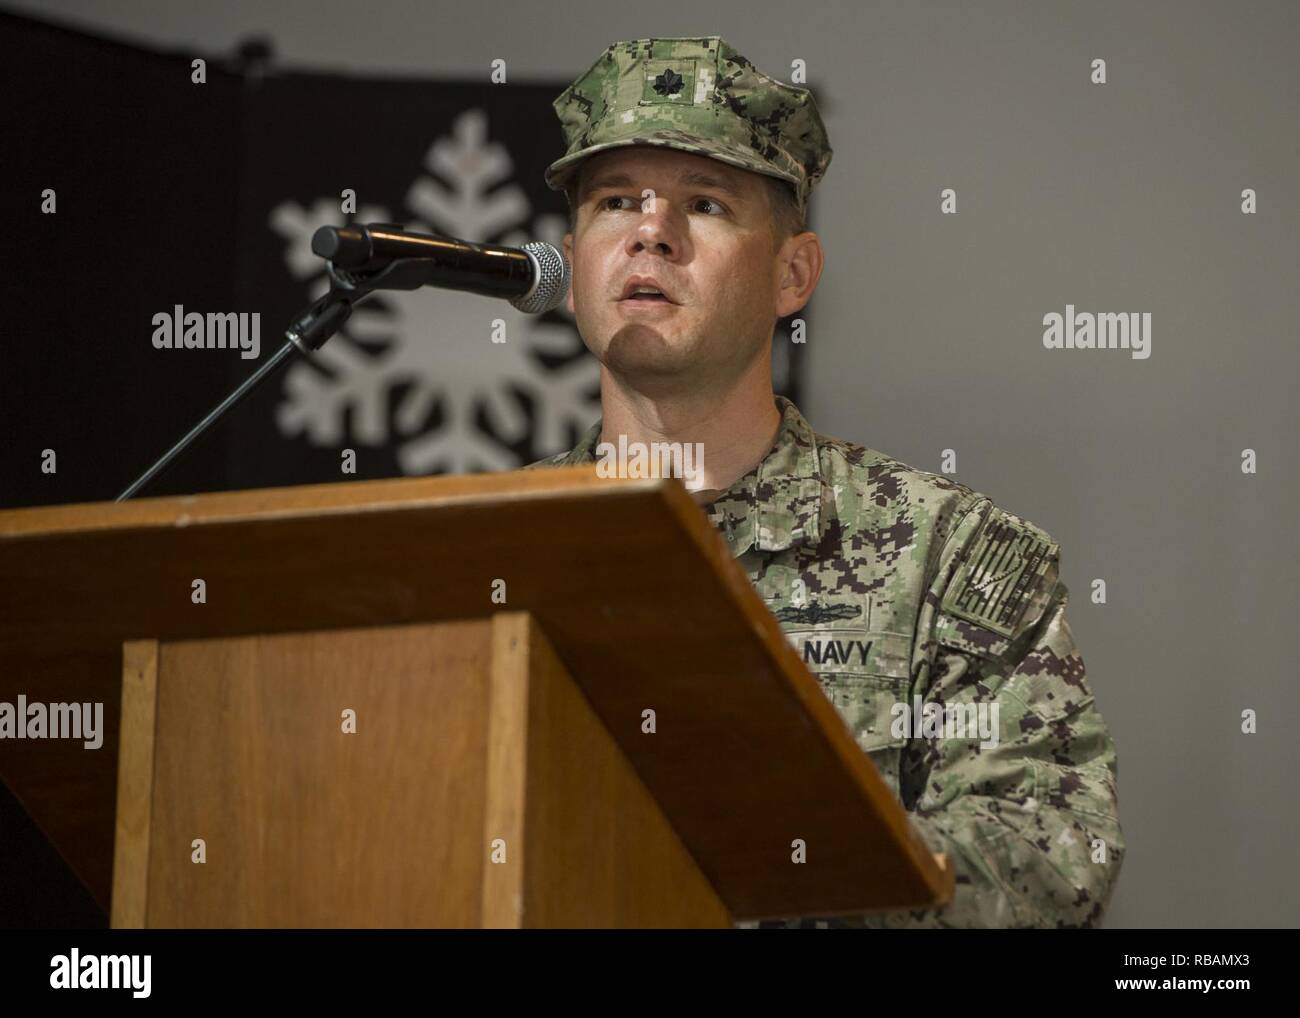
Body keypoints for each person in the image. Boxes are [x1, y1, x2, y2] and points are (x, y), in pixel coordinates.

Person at [527, 36, 1124, 927]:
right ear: (573, 263)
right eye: (617, 201)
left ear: (792, 273)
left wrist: (767, 851)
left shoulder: (946, 555)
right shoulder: (493, 539)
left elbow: (1048, 858)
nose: (652, 231)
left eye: (705, 203)